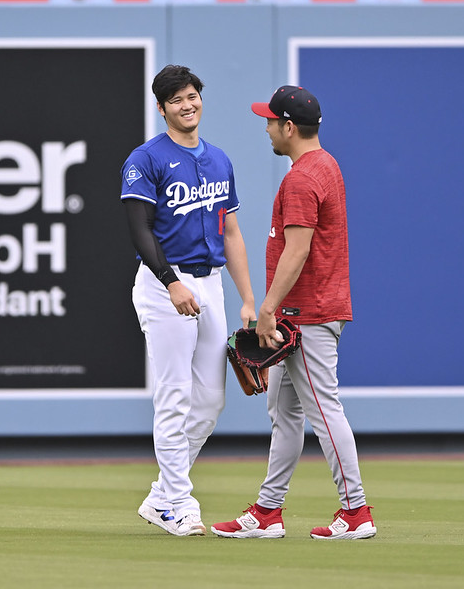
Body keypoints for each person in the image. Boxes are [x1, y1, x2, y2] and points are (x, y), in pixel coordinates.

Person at [211, 86, 375, 540]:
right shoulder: (326, 165)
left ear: (288, 126)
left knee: (324, 410)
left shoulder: (302, 177)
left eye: (269, 121)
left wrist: (268, 308)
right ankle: (268, 511)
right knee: (284, 414)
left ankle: (356, 510)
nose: (265, 128)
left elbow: (298, 249)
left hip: (307, 314)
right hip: (304, 311)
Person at [121, 65, 255, 537]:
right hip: (165, 284)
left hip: (211, 283)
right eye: (176, 99)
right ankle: (178, 502)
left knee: (211, 401)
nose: (187, 104)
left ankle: (161, 495)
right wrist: (170, 281)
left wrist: (248, 299)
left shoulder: (218, 159)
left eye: (193, 95)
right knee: (174, 395)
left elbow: (232, 232)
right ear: (162, 108)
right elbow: (140, 230)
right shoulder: (145, 158)